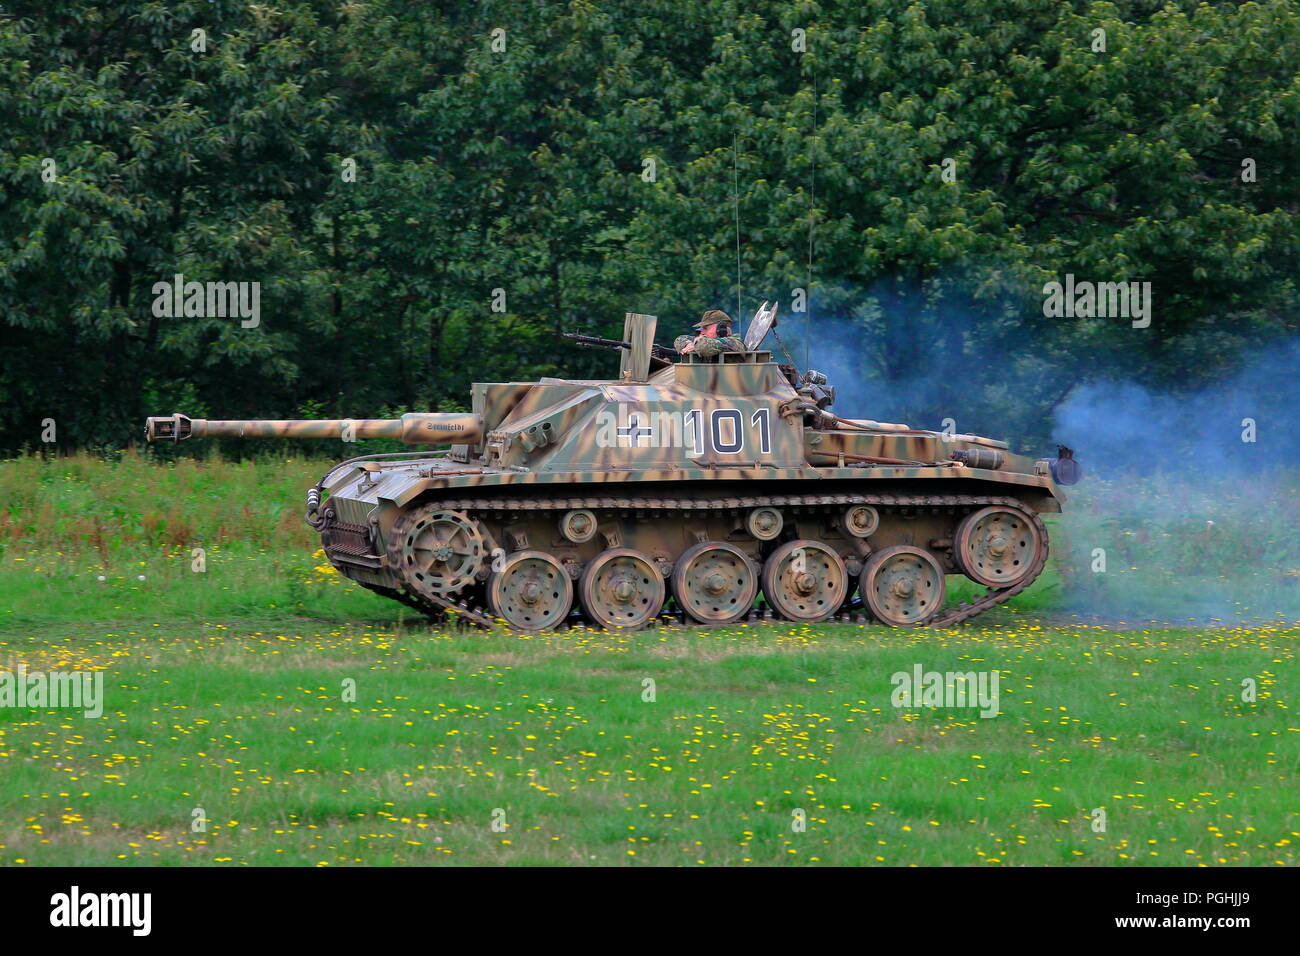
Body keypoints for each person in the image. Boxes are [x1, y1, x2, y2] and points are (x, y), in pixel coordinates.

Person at [674, 309, 745, 357]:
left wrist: (694, 345)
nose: (702, 332)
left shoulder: (734, 342)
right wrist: (688, 344)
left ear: (721, 329)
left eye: (705, 328)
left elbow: (704, 346)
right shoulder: (702, 341)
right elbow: (679, 339)